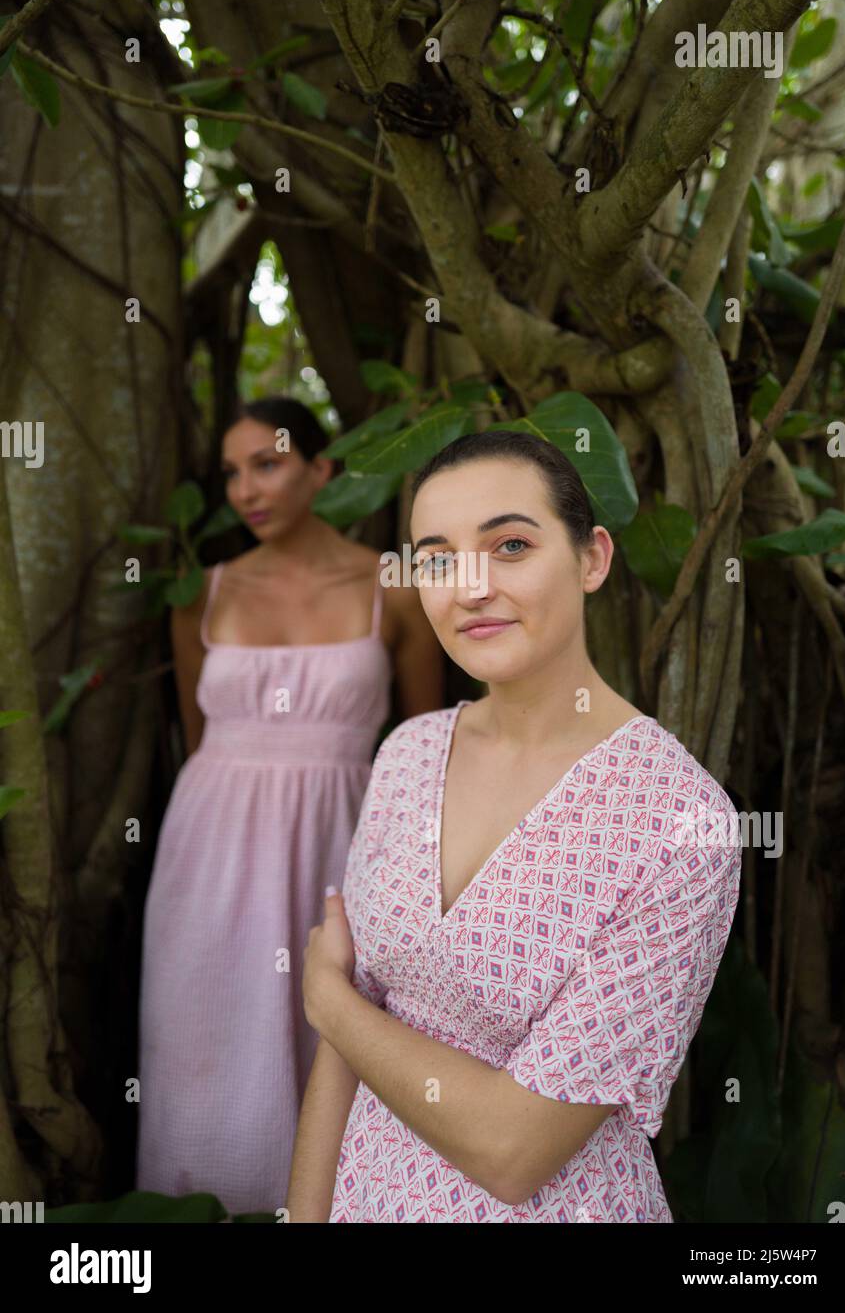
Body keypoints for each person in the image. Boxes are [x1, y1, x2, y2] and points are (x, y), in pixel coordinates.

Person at [288, 429, 742, 1223]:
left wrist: (329, 1003)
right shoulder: (407, 753)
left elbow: (513, 1149)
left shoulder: (682, 822)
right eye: (436, 559)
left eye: (509, 545)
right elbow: (343, 1051)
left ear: (592, 558)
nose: (469, 589)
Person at [136, 396, 444, 1215]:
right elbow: (204, 739)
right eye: (231, 473)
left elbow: (420, 750)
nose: (244, 489)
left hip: (341, 840)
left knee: (329, 1033)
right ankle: (198, 1206)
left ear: (321, 470)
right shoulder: (198, 594)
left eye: (266, 464)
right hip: (209, 846)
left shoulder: (395, 587)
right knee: (201, 1039)